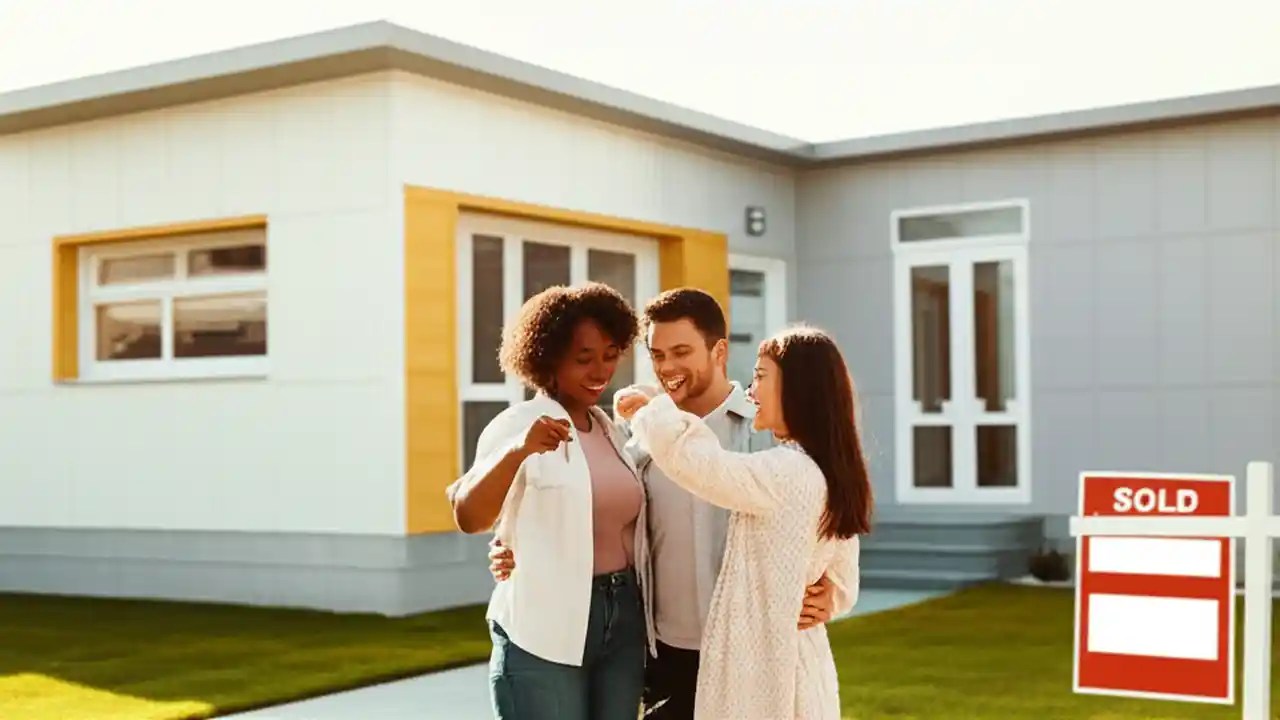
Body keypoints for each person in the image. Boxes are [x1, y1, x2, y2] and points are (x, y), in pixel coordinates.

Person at [489, 288, 842, 719]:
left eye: (681, 351)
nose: (667, 367)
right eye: (657, 355)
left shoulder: (767, 427)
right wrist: (514, 544)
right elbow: (604, 509)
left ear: (719, 351)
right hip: (665, 653)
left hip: (744, 655)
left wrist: (837, 593)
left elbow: (833, 519)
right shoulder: (641, 436)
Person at [619, 325, 870, 720]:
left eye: (761, 375)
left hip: (768, 677)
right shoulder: (825, 471)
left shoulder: (788, 472)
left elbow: (702, 465)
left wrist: (653, 409)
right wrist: (829, 597)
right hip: (800, 665)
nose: (750, 389)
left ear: (797, 389)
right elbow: (841, 576)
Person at [445, 282, 650, 720]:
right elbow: (468, 513)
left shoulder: (609, 429)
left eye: (611, 354)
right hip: (544, 623)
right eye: (584, 358)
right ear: (547, 357)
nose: (601, 371)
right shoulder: (517, 424)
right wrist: (519, 450)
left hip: (623, 618)